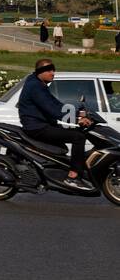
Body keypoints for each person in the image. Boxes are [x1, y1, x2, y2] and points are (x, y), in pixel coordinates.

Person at [16, 59, 92, 190]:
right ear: (40, 72)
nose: (53, 73)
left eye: (53, 70)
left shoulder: (38, 83)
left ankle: (61, 171)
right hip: (37, 127)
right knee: (78, 137)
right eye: (49, 70)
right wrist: (76, 120)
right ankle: (72, 177)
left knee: (73, 138)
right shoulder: (35, 87)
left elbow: (56, 104)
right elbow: (52, 109)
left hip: (42, 125)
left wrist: (79, 113)